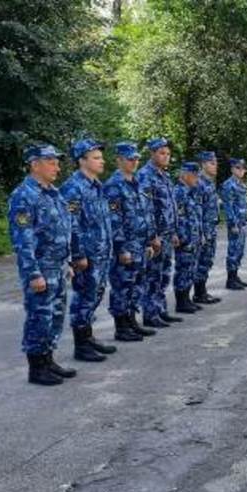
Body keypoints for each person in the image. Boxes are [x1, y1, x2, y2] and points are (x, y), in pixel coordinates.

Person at [8, 144, 76, 385]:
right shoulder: (23, 195)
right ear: (35, 164)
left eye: (57, 161)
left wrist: (67, 261)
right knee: (39, 316)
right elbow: (22, 240)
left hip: (58, 267)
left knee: (55, 315)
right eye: (51, 161)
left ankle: (48, 360)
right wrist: (33, 273)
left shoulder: (54, 193)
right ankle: (36, 368)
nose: (57, 166)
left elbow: (63, 229)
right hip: (41, 270)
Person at [60, 139, 117, 362]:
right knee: (84, 297)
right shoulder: (73, 187)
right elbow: (70, 224)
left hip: (102, 253)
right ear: (81, 161)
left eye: (101, 157)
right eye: (96, 158)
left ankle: (89, 337)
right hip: (86, 256)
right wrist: (78, 254)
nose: (101, 161)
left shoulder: (98, 186)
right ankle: (81, 345)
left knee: (95, 294)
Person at [104, 142, 157, 342]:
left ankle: (132, 321)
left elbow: (144, 215)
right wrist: (120, 248)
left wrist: (148, 242)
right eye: (130, 159)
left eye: (136, 158)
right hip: (125, 247)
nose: (134, 162)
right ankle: (121, 326)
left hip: (140, 245)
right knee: (122, 286)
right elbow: (114, 220)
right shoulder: (113, 186)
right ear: (118, 160)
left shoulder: (137, 183)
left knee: (136, 285)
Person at [137, 137, 181, 330]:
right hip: (155, 237)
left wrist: (173, 232)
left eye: (168, 154)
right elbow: (147, 209)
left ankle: (160, 309)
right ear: (152, 154)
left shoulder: (164, 175)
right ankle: (150, 313)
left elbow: (169, 207)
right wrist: (152, 236)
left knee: (163, 275)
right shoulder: (145, 176)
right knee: (152, 276)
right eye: (162, 153)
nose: (166, 157)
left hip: (167, 234)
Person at [172, 162, 204, 314]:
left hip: (193, 238)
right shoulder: (179, 192)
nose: (197, 178)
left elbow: (195, 216)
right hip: (184, 239)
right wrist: (178, 235)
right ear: (185, 175)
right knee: (183, 269)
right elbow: (176, 217)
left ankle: (187, 298)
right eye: (194, 175)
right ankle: (181, 301)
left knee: (191, 269)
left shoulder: (191, 192)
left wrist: (199, 234)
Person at [193, 150, 221, 304]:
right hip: (204, 230)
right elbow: (196, 209)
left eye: (216, 163)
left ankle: (201, 291)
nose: (215, 166)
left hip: (211, 228)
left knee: (207, 261)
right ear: (203, 164)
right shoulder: (199, 183)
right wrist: (201, 232)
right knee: (200, 261)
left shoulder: (209, 182)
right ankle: (198, 293)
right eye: (212, 163)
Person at [220, 158, 247, 290]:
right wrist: (233, 224)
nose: (242, 170)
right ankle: (230, 279)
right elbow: (228, 206)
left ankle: (235, 276)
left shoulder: (240, 184)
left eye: (243, 168)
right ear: (233, 169)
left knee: (239, 251)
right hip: (235, 223)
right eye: (238, 168)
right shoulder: (229, 185)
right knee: (233, 250)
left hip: (242, 222)